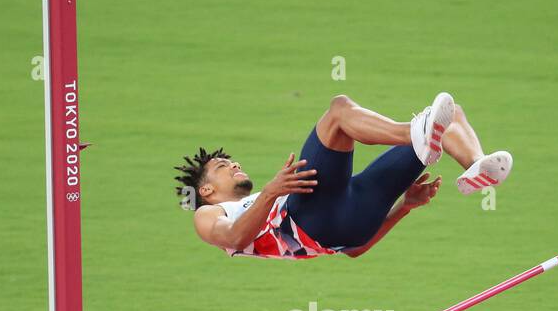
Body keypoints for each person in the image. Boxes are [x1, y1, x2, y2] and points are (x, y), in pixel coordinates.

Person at [174, 93, 512, 259]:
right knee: (338, 111)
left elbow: (354, 250)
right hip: (311, 219)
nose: (233, 165)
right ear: (205, 189)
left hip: (352, 221)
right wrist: (272, 192)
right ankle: (415, 131)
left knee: (451, 116)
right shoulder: (208, 214)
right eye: (222, 167)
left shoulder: (258, 201)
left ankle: (478, 165)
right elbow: (234, 238)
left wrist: (404, 206)